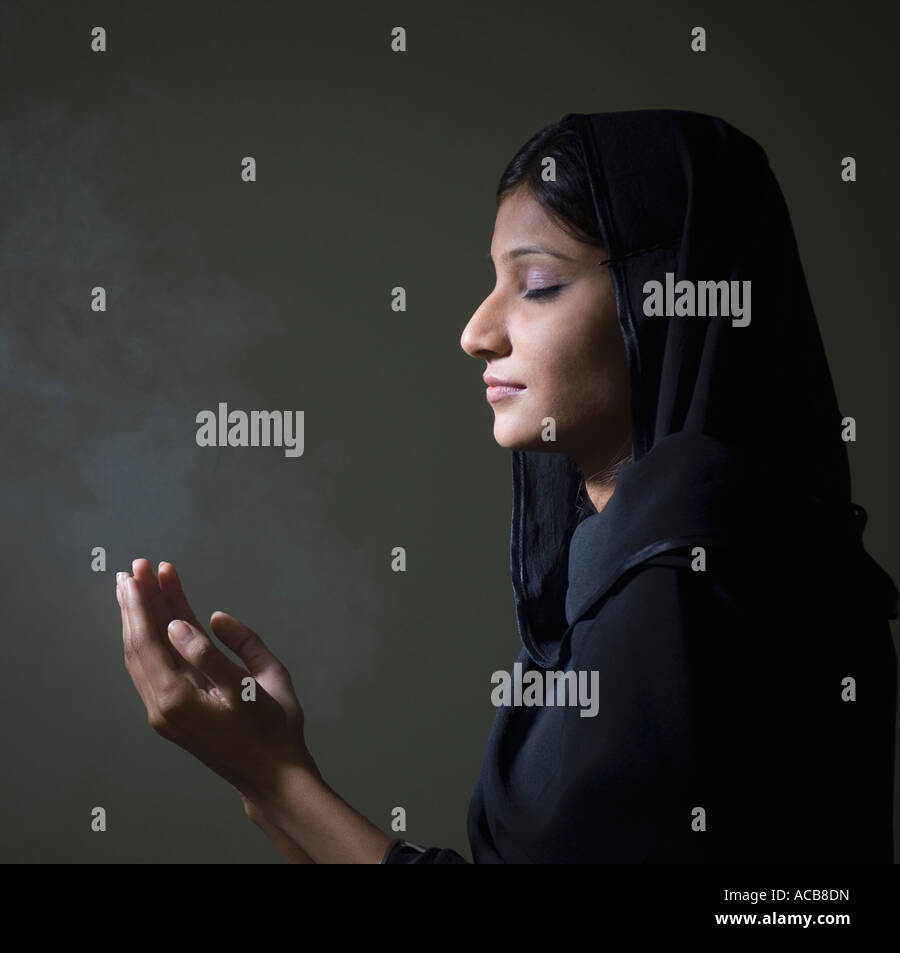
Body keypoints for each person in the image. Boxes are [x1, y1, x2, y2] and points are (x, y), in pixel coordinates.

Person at [116, 109, 899, 863]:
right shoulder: (677, 572)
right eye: (498, 281)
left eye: (539, 285)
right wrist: (269, 774)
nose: (476, 333)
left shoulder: (691, 599)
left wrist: (275, 779)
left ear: (665, 303)